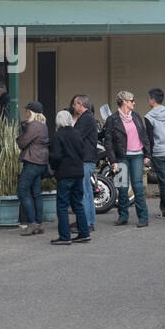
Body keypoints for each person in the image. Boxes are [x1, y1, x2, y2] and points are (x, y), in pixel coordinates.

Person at [103, 90, 152, 227]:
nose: (134, 103)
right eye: (131, 100)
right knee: (122, 187)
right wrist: (113, 161)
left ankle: (143, 218)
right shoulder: (112, 120)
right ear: (124, 102)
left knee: (137, 186)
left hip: (137, 155)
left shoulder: (136, 116)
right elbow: (108, 142)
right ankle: (123, 216)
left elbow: (144, 136)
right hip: (121, 157)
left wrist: (147, 154)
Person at [48, 109, 90, 246]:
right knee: (78, 203)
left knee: (62, 205)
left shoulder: (57, 135)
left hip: (64, 173)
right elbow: (82, 152)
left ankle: (65, 236)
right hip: (78, 172)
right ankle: (84, 233)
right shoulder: (77, 134)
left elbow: (56, 156)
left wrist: (53, 167)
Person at [16, 101, 49, 235]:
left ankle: (32, 223)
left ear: (31, 112)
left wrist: (21, 133)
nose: (26, 113)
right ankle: (39, 223)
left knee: (22, 191)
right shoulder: (43, 125)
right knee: (36, 193)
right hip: (41, 162)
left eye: (27, 111)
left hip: (32, 162)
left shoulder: (34, 126)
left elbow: (22, 142)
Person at [145, 88, 165, 219]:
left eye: (149, 98)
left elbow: (149, 138)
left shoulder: (148, 117)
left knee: (163, 182)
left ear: (153, 100)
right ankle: (164, 209)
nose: (148, 100)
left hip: (158, 152)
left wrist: (148, 154)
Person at [70, 94, 98, 233]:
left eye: (75, 104)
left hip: (85, 160)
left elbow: (76, 136)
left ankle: (85, 223)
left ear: (81, 104)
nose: (73, 106)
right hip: (88, 160)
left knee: (83, 192)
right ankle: (89, 221)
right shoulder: (88, 118)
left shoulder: (86, 119)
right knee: (87, 192)